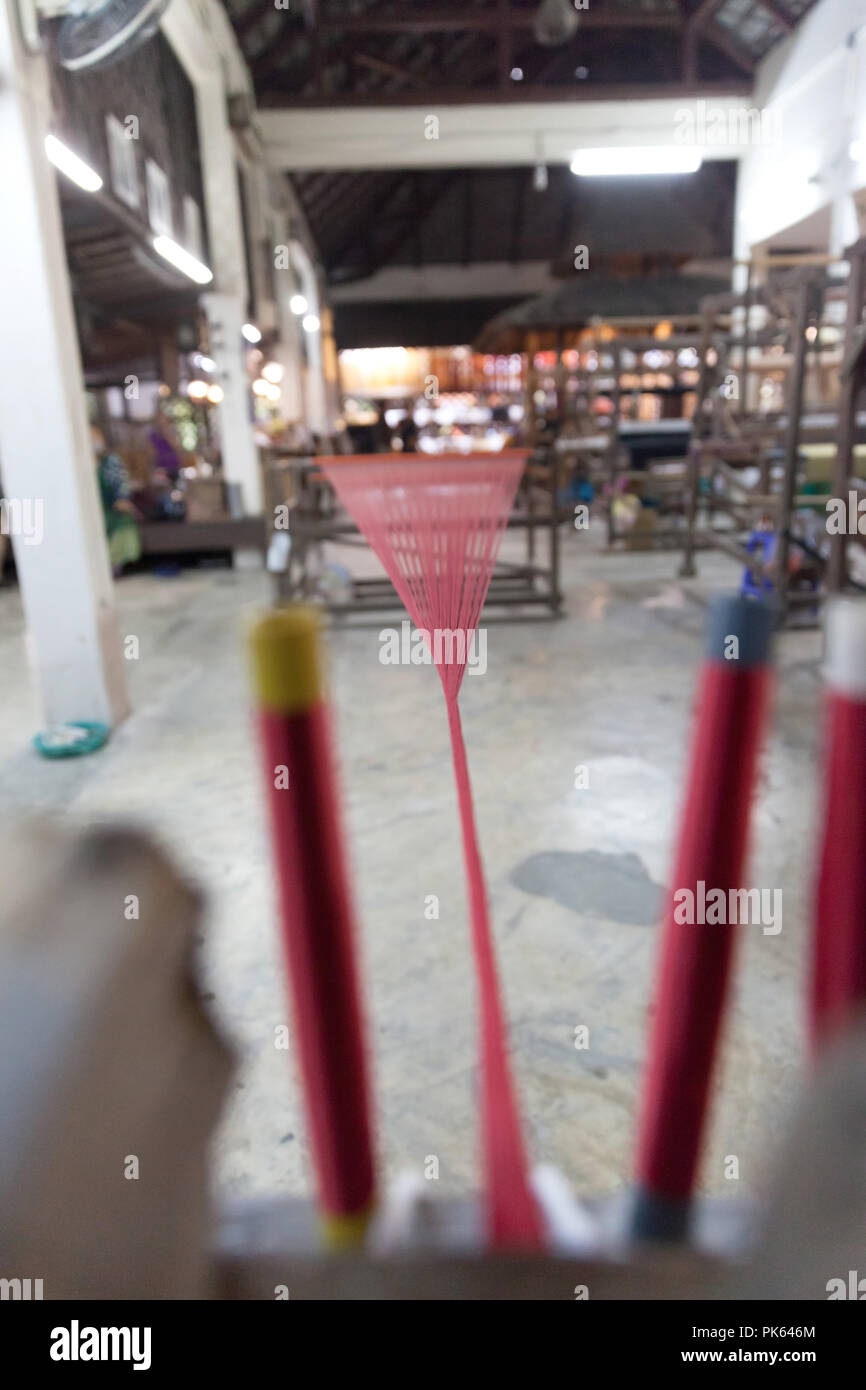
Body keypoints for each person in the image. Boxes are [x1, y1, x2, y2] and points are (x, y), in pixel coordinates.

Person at [92, 426, 142, 576]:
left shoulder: (110, 463)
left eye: (95, 438)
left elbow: (121, 491)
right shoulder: (76, 465)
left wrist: (123, 502)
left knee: (121, 525)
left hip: (112, 510)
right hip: (91, 512)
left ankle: (112, 564)